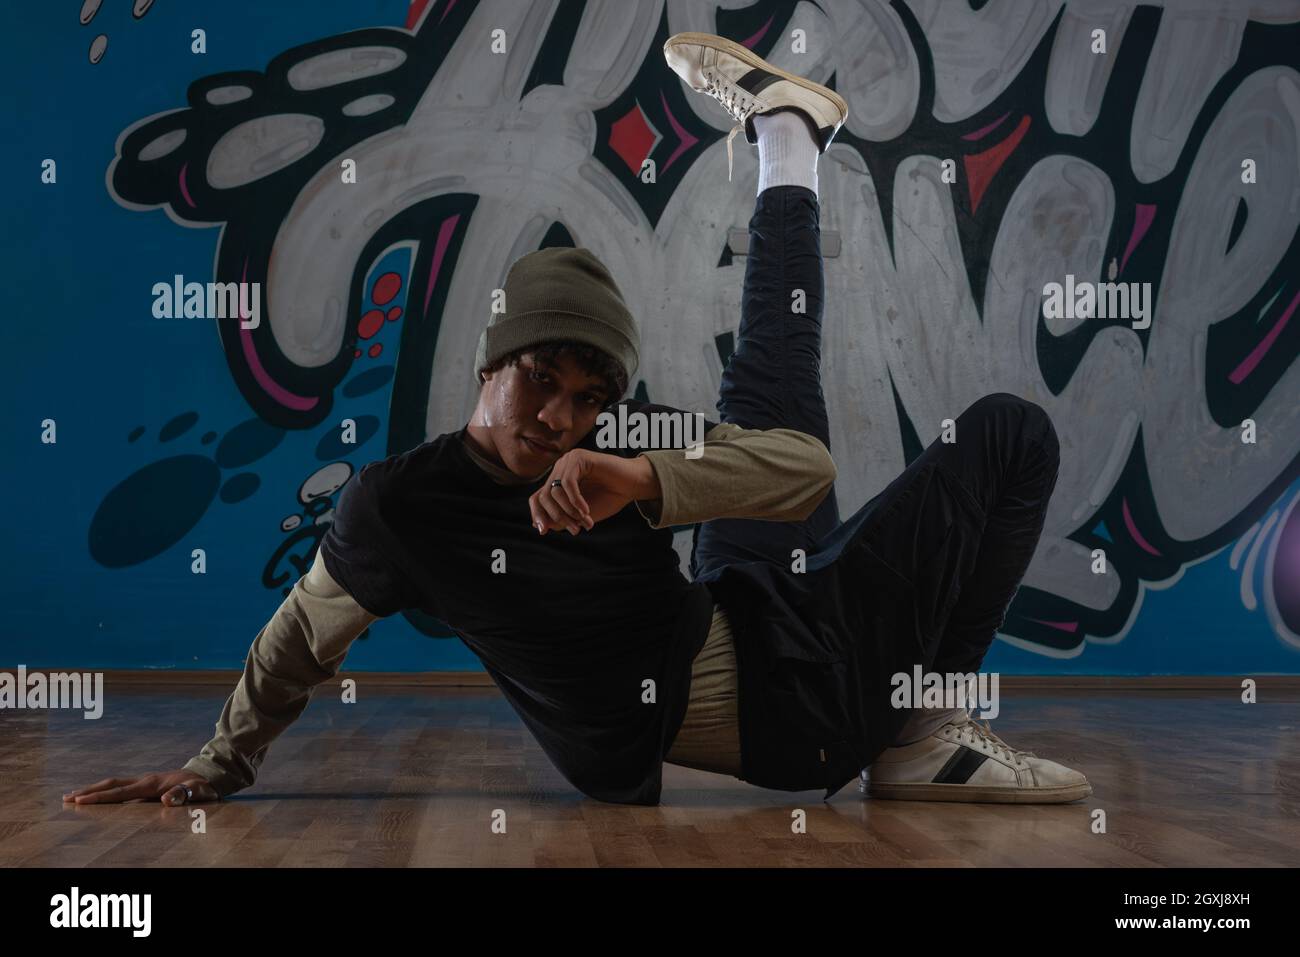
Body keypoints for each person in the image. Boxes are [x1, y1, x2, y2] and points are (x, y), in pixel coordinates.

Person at [65, 33, 1089, 810]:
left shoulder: (609, 454)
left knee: (768, 385)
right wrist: (218, 763)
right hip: (797, 712)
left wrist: (638, 476)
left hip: (749, 611)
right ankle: (919, 730)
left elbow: (801, 470)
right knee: (1010, 435)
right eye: (539, 381)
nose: (561, 419)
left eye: (590, 399)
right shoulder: (401, 506)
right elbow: (298, 637)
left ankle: (786, 138)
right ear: (490, 365)